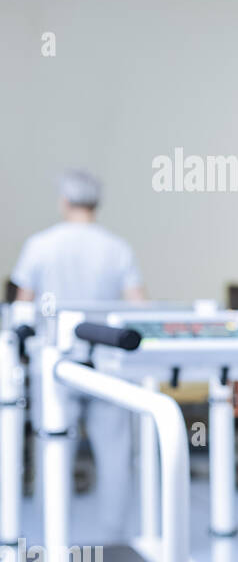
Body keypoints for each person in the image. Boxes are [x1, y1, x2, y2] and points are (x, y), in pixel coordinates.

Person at [11, 169, 145, 539]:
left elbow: (23, 308)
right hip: (106, 363)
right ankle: (114, 543)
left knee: (53, 449)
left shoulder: (41, 244)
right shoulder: (118, 248)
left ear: (64, 202)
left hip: (56, 364)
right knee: (115, 456)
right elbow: (139, 307)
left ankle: (53, 542)